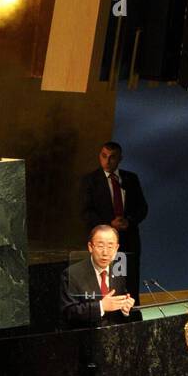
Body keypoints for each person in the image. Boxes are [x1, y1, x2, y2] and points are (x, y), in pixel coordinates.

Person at [79, 141, 149, 303]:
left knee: (130, 283)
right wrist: (110, 225)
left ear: (120, 159)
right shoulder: (90, 181)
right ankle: (107, 318)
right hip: (103, 243)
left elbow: (142, 208)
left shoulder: (131, 178)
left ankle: (131, 316)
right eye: (104, 156)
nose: (107, 161)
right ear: (100, 156)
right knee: (105, 283)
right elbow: (85, 212)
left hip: (129, 240)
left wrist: (129, 221)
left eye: (112, 157)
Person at [60, 226, 141, 329]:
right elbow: (69, 312)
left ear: (116, 248)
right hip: (85, 337)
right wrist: (101, 306)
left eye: (110, 246)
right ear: (90, 247)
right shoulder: (72, 274)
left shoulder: (118, 271)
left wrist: (125, 308)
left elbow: (119, 305)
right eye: (100, 246)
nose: (105, 253)